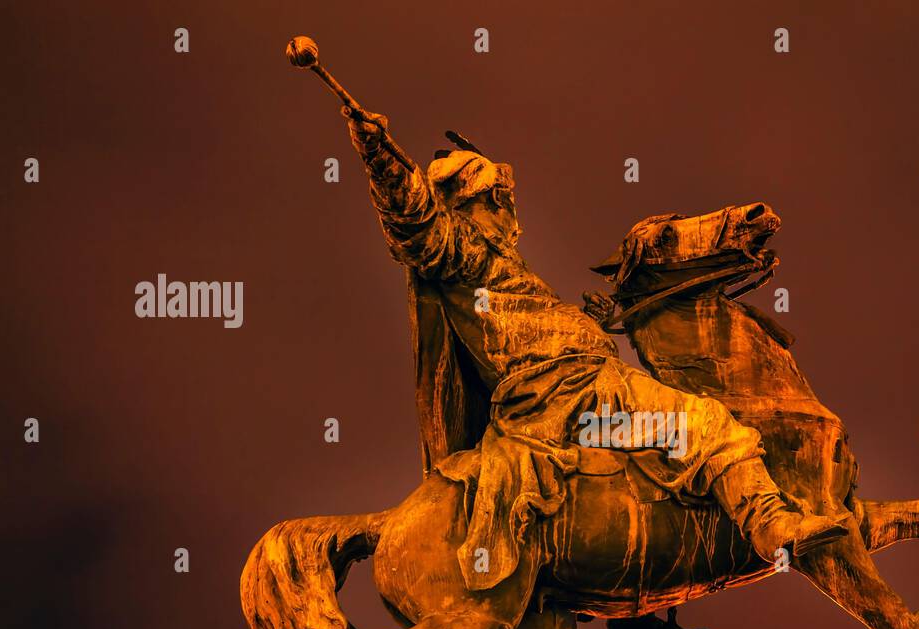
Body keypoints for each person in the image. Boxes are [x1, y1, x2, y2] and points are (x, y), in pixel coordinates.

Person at [344, 108, 847, 590]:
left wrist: (591, 325)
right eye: (502, 200)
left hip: (578, 394)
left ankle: (646, 614)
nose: (510, 212)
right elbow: (414, 223)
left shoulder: (501, 268)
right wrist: (378, 152)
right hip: (578, 406)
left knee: (650, 475)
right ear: (483, 201)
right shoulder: (462, 252)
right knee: (705, 423)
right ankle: (772, 527)